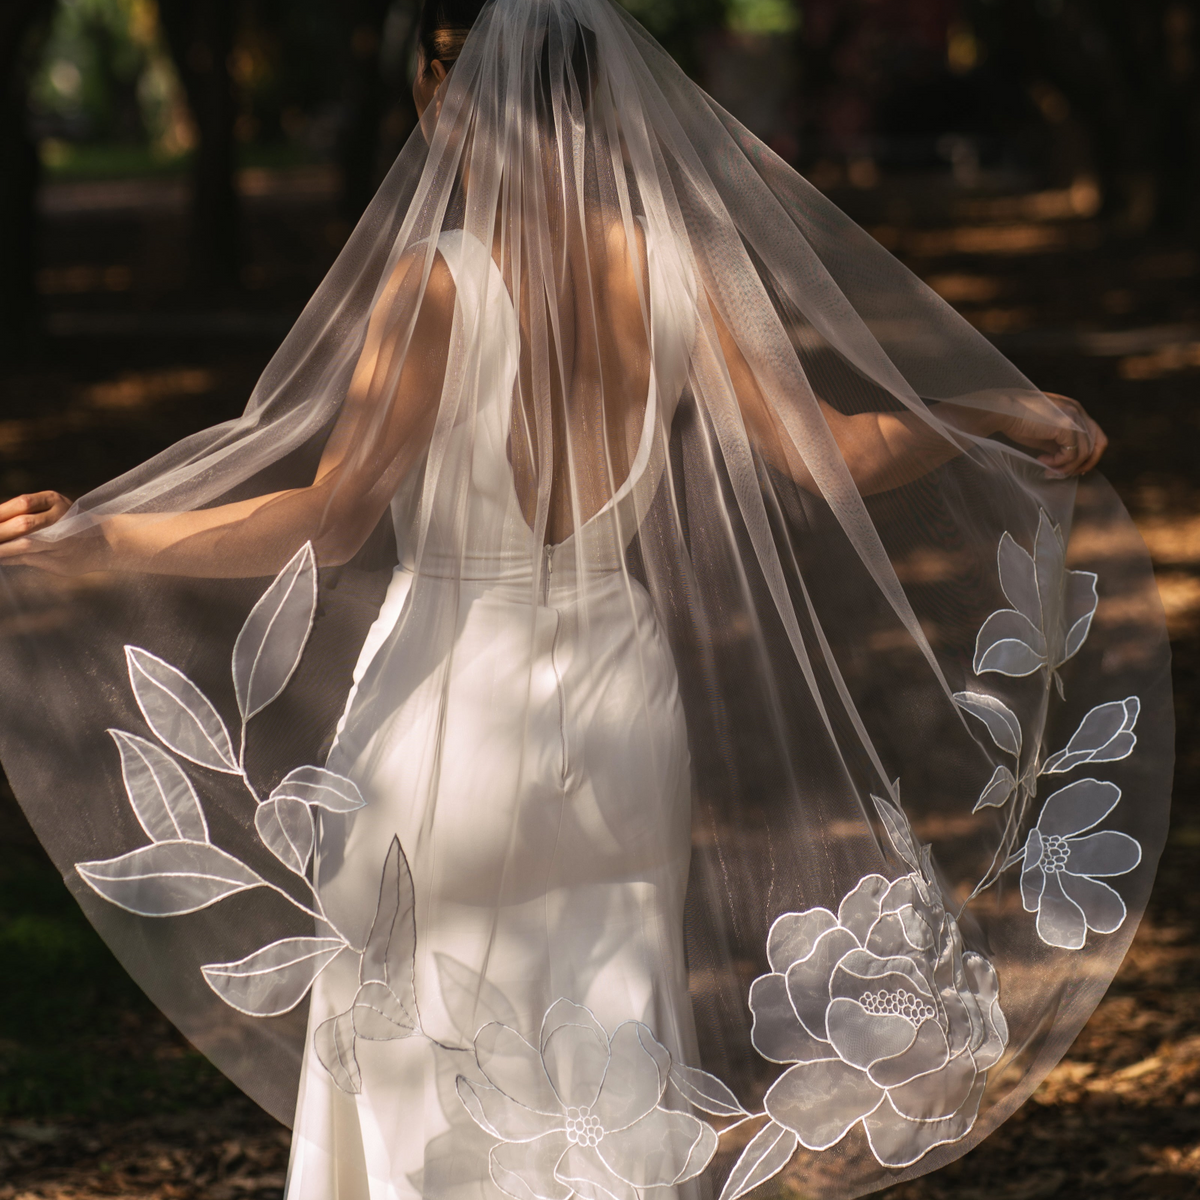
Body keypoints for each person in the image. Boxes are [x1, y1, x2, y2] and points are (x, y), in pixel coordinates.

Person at [0, 1, 1171, 1198]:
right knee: (612, 1043)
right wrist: (990, 415)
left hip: (450, 699)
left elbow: (326, 517)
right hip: (619, 705)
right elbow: (836, 452)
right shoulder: (671, 265)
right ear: (601, 98)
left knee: (415, 1046)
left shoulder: (434, 287)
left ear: (438, 99)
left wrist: (100, 538)